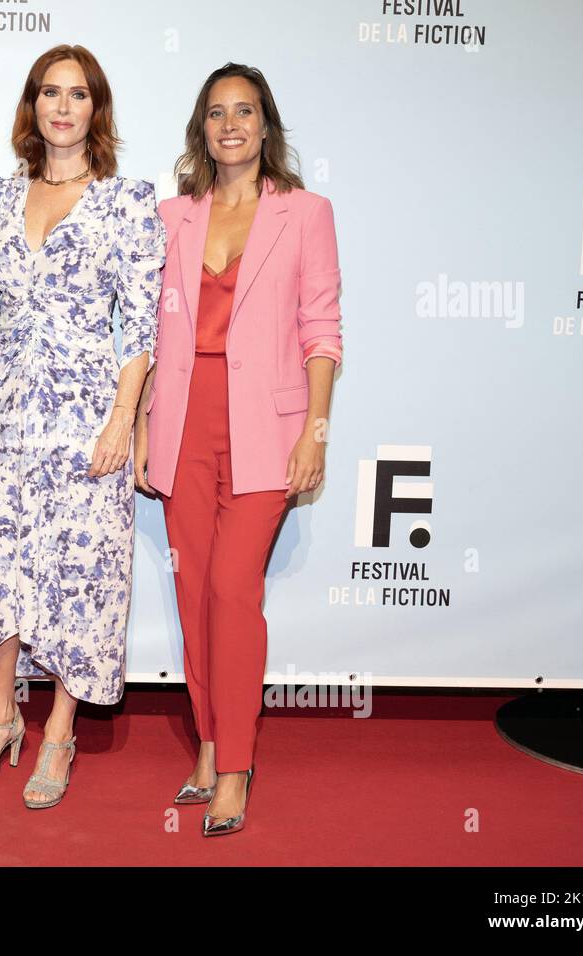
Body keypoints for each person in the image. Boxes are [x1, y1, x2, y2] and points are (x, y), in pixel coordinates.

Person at [0, 45, 165, 808]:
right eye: (50, 92)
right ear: (32, 105)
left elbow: (139, 328)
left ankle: (60, 734)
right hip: (6, 414)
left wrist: (122, 422)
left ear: (97, 109)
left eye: (78, 94)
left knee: (81, 579)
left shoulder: (128, 201)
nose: (63, 106)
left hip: (85, 421)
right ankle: (3, 719)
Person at [135, 63, 343, 836]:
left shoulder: (306, 212)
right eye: (217, 112)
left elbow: (322, 329)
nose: (231, 125)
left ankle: (234, 769)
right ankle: (209, 740)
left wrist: (315, 431)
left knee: (231, 588)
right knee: (193, 597)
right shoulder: (169, 216)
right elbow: (149, 337)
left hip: (267, 427)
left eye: (245, 111)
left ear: (266, 125)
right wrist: (141, 427)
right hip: (185, 425)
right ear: (203, 127)